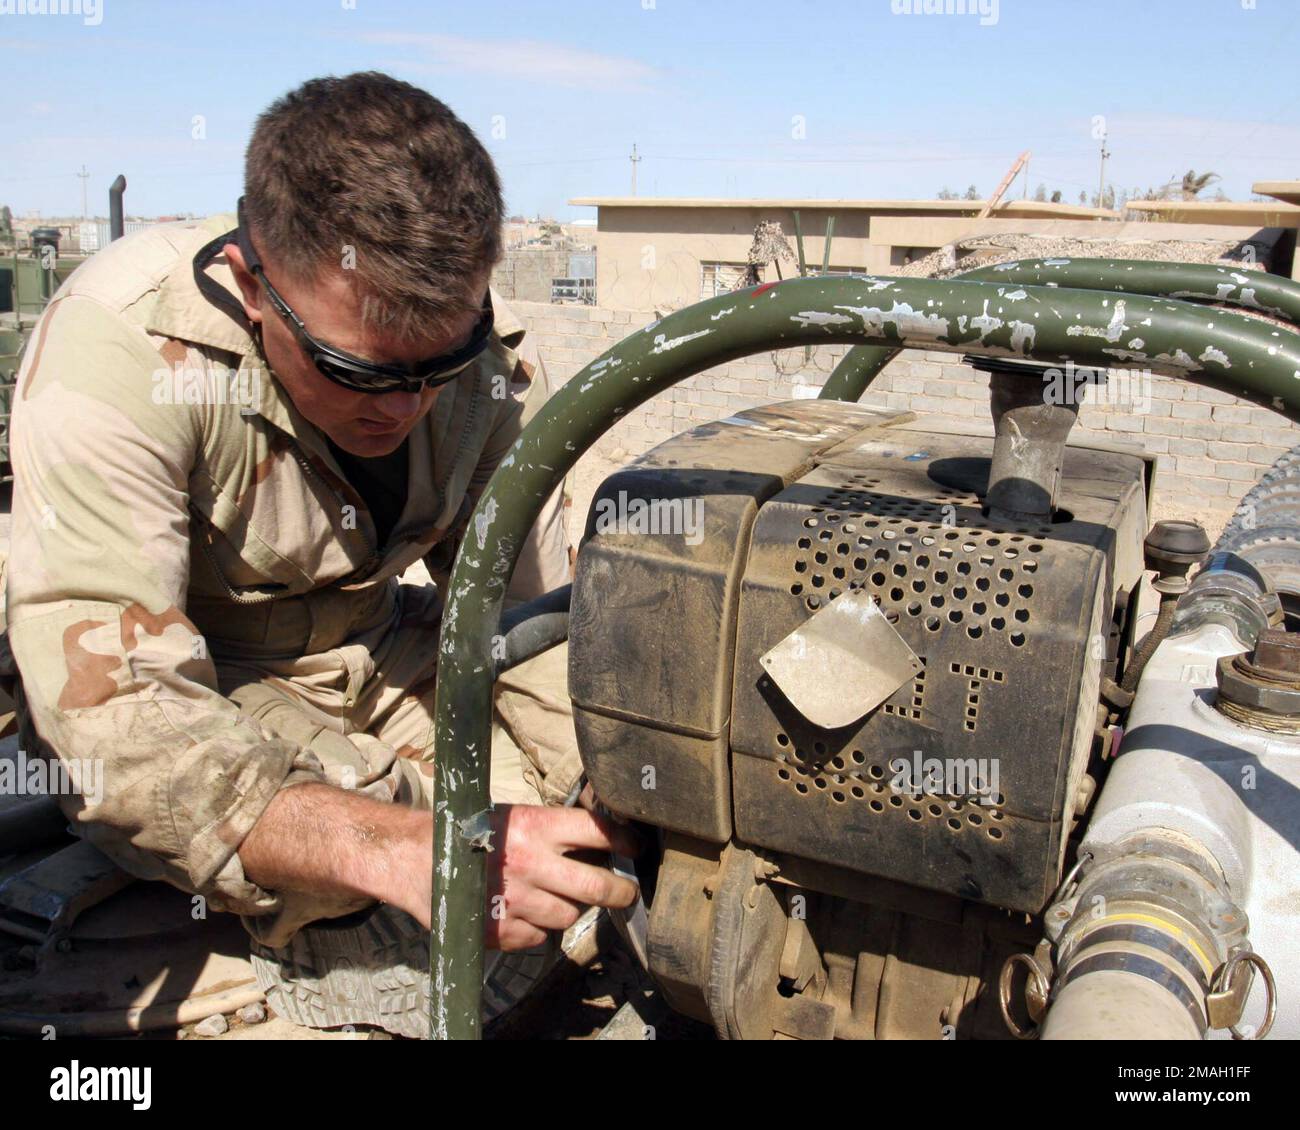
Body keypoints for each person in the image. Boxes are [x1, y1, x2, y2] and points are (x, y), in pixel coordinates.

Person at [3, 72, 637, 991]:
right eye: (359, 370)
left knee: (591, 817)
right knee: (392, 844)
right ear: (251, 286)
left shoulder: (475, 364)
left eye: (442, 364)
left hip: (375, 648)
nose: (411, 405)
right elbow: (112, 714)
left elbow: (533, 616)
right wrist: (397, 849)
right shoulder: (120, 347)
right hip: (203, 684)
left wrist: (605, 778)